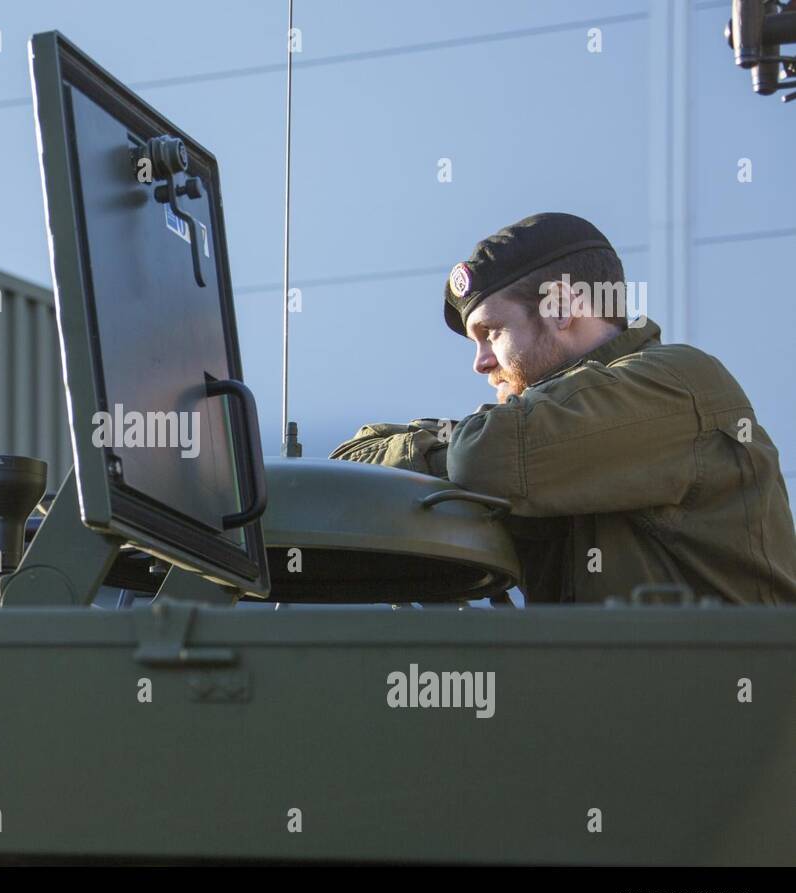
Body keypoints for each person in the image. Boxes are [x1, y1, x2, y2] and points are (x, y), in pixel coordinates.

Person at [331, 212, 796, 604]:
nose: (480, 363)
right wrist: (453, 449)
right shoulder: (541, 436)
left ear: (561, 306)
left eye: (490, 332)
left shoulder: (679, 382)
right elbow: (351, 466)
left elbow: (482, 457)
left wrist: (451, 452)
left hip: (725, 705)